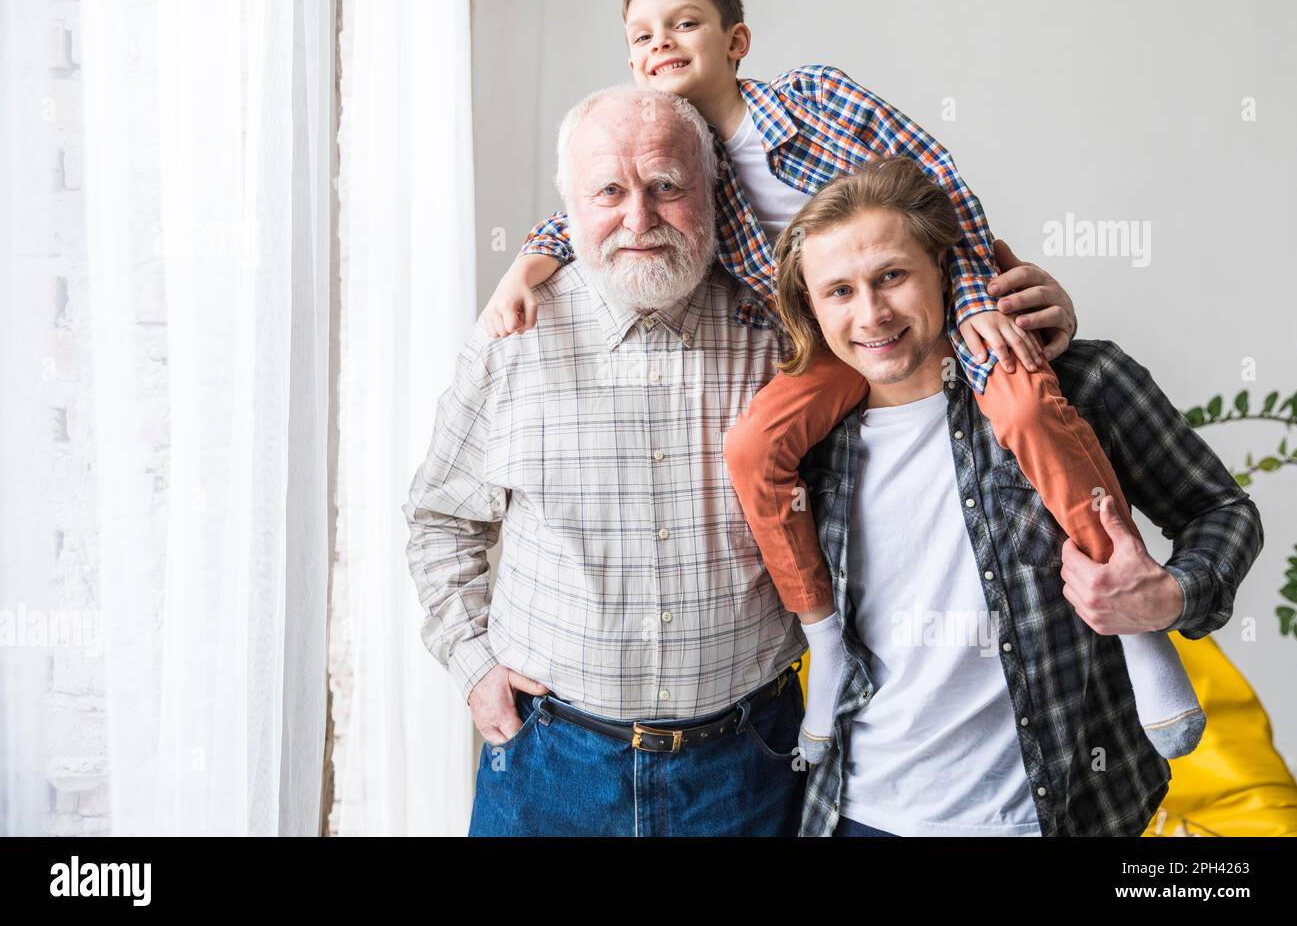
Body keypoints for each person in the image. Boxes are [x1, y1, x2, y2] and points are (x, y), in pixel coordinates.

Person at [479, 0, 1205, 762]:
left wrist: (971, 300)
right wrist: (525, 267)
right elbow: (597, 202)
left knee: (1028, 408)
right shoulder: (686, 165)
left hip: (937, 295)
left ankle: (1132, 616)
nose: (663, 44)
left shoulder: (817, 96)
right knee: (752, 448)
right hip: (830, 339)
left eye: (683, 23)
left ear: (736, 39)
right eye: (642, 37)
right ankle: (825, 643)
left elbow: (940, 181)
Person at [403, 87, 1077, 836]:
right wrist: (472, 665)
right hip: (550, 766)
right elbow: (439, 519)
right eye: (608, 192)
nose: (639, 218)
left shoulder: (795, 327)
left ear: (715, 189)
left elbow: (904, 295)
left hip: (748, 767)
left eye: (667, 186)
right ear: (569, 208)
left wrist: (1025, 311)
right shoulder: (512, 336)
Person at [776, 157, 1263, 836]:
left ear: (944, 269)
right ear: (812, 306)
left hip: (1058, 815)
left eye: (892, 276)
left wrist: (1172, 595)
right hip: (856, 815)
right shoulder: (807, 442)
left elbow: (1223, 511)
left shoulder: (1079, 384)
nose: (872, 313)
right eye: (839, 291)